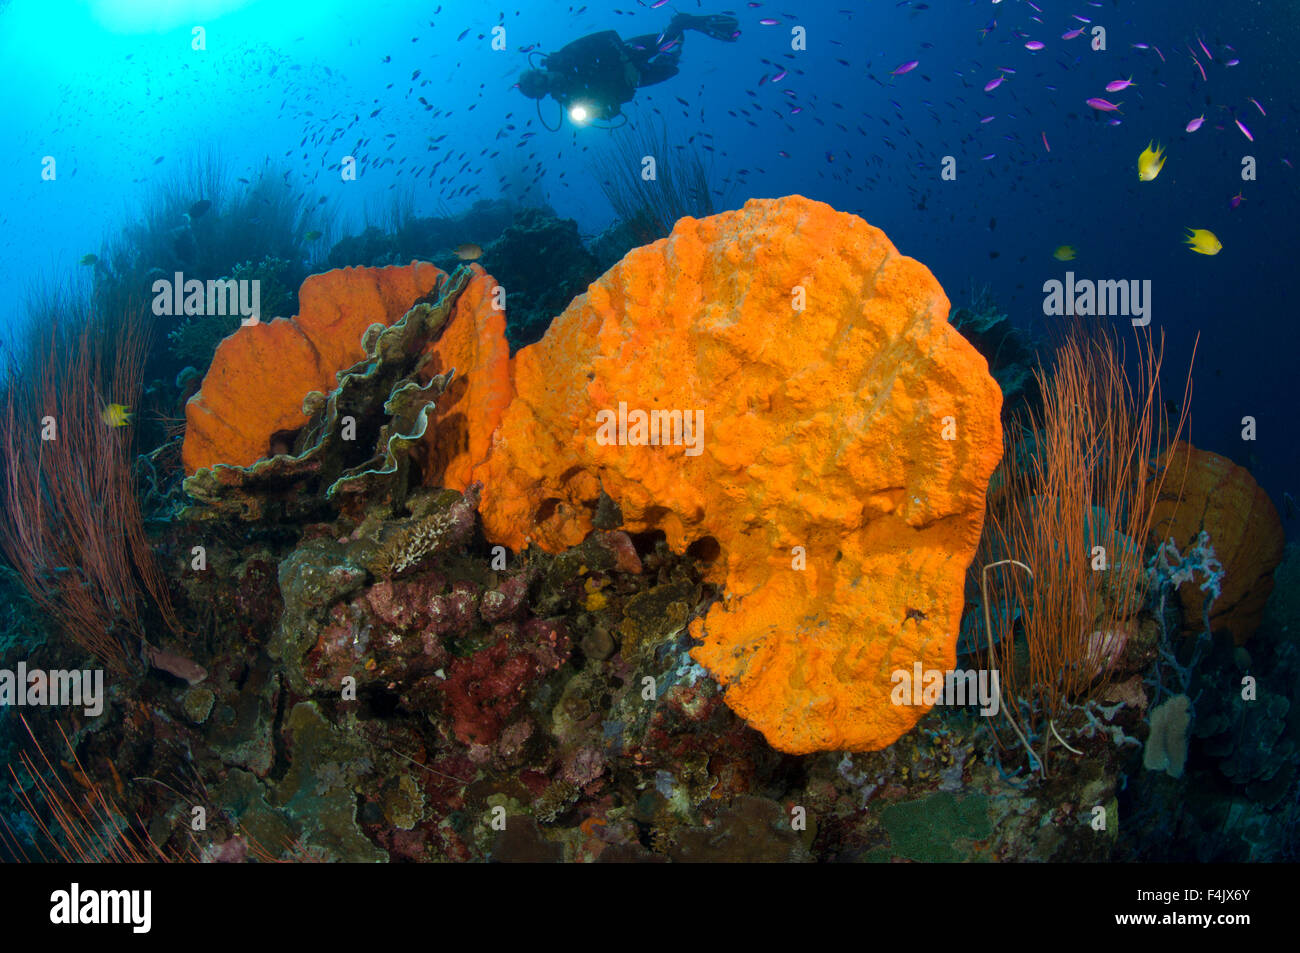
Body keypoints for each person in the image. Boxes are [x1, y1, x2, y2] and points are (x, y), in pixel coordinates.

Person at [518, 12, 739, 124]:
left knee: (673, 40)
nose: (551, 83)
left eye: (545, 79)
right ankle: (680, 27)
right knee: (672, 67)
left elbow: (607, 35)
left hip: (627, 53)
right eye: (545, 89)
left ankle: (682, 22)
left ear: (542, 71)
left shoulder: (566, 55)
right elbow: (612, 112)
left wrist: (626, 63)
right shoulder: (568, 100)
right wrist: (598, 113)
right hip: (634, 81)